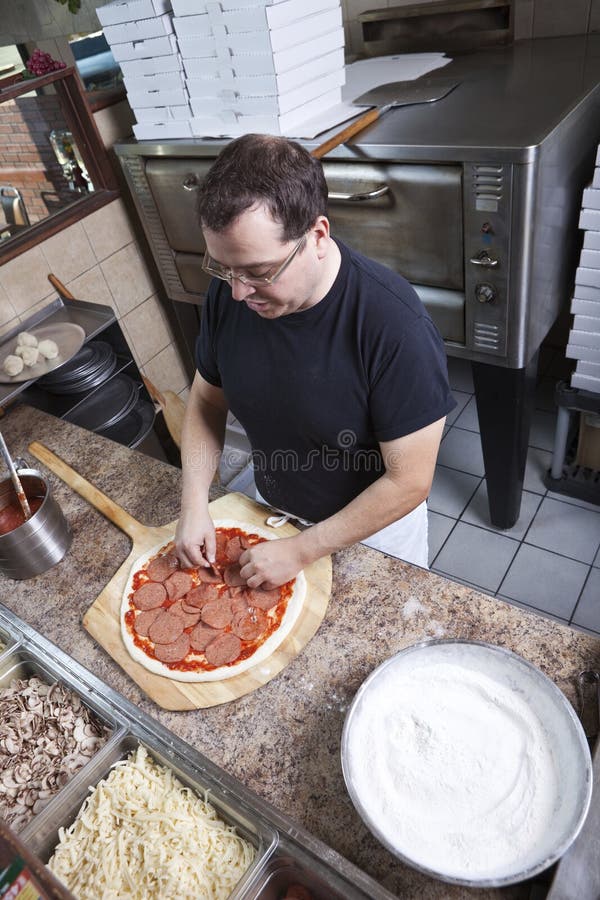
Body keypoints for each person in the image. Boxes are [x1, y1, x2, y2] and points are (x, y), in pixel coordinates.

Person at [175, 134, 455, 588]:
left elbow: (409, 481)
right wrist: (194, 504)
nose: (238, 291)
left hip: (372, 536)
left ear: (317, 236)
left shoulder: (394, 327)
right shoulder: (232, 295)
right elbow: (207, 402)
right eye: (223, 268)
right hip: (276, 516)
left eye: (259, 272)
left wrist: (303, 550)